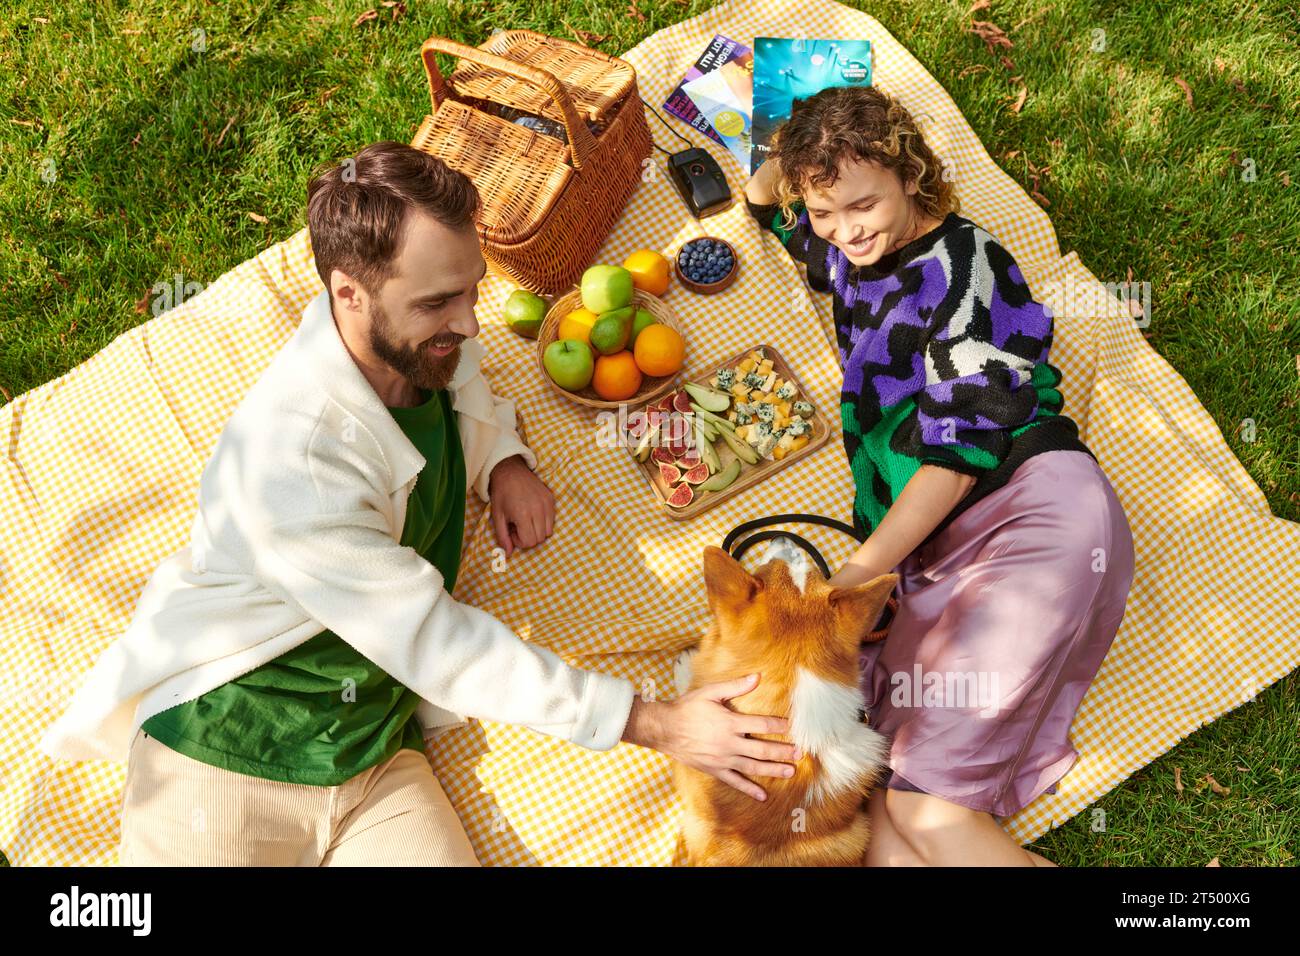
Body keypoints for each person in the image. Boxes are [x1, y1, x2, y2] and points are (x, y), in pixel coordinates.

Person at [40, 141, 800, 866]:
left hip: (376, 754)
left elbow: (465, 381)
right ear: (348, 292)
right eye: (440, 302)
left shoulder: (417, 340)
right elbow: (438, 641)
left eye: (472, 290)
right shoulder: (290, 465)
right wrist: (658, 722)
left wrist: (501, 460)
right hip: (228, 748)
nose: (470, 324)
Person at [744, 87, 1136, 866]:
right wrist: (792, 147)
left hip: (1030, 518)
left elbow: (955, 464)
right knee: (885, 827)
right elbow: (766, 208)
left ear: (911, 175)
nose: (843, 231)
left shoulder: (968, 268)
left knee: (928, 814)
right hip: (942, 552)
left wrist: (851, 585)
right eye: (825, 213)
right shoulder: (846, 249)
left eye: (862, 205)